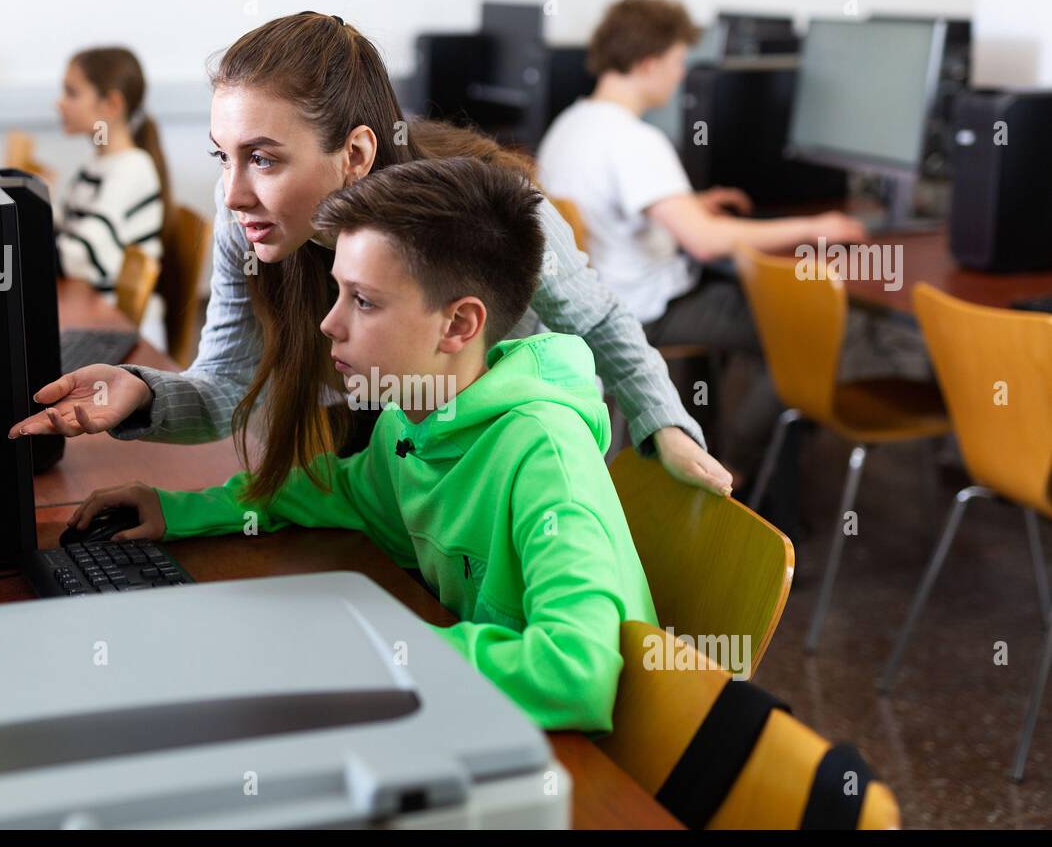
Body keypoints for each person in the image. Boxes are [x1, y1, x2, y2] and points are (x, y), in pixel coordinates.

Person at [9, 11, 732, 501]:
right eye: (222, 157)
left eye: (261, 159)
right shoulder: (252, 236)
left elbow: (602, 324)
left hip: (502, 478)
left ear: (355, 153)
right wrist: (140, 393)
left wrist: (665, 426)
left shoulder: (491, 212)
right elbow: (224, 391)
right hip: (392, 486)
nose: (232, 195)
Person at [67, 157, 657, 732]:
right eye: (339, 292)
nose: (330, 323)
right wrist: (176, 509)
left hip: (594, 771)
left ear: (458, 325)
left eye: (364, 301)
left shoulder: (543, 454)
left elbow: (574, 672)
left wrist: (370, 653)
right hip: (487, 722)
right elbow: (335, 491)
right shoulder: (410, 422)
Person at [536, 0, 866, 477]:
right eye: (676, 62)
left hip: (589, 303)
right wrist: (817, 228)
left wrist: (687, 205)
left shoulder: (570, 124)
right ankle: (744, 467)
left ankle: (716, 440)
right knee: (798, 330)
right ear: (649, 64)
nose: (681, 74)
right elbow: (706, 243)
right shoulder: (635, 140)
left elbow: (618, 210)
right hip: (641, 310)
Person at [53, 46, 170, 292]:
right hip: (92, 305)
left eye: (71, 93)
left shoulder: (132, 169)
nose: (59, 103)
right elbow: (68, 228)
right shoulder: (96, 162)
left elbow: (81, 256)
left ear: (112, 104)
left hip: (115, 320)